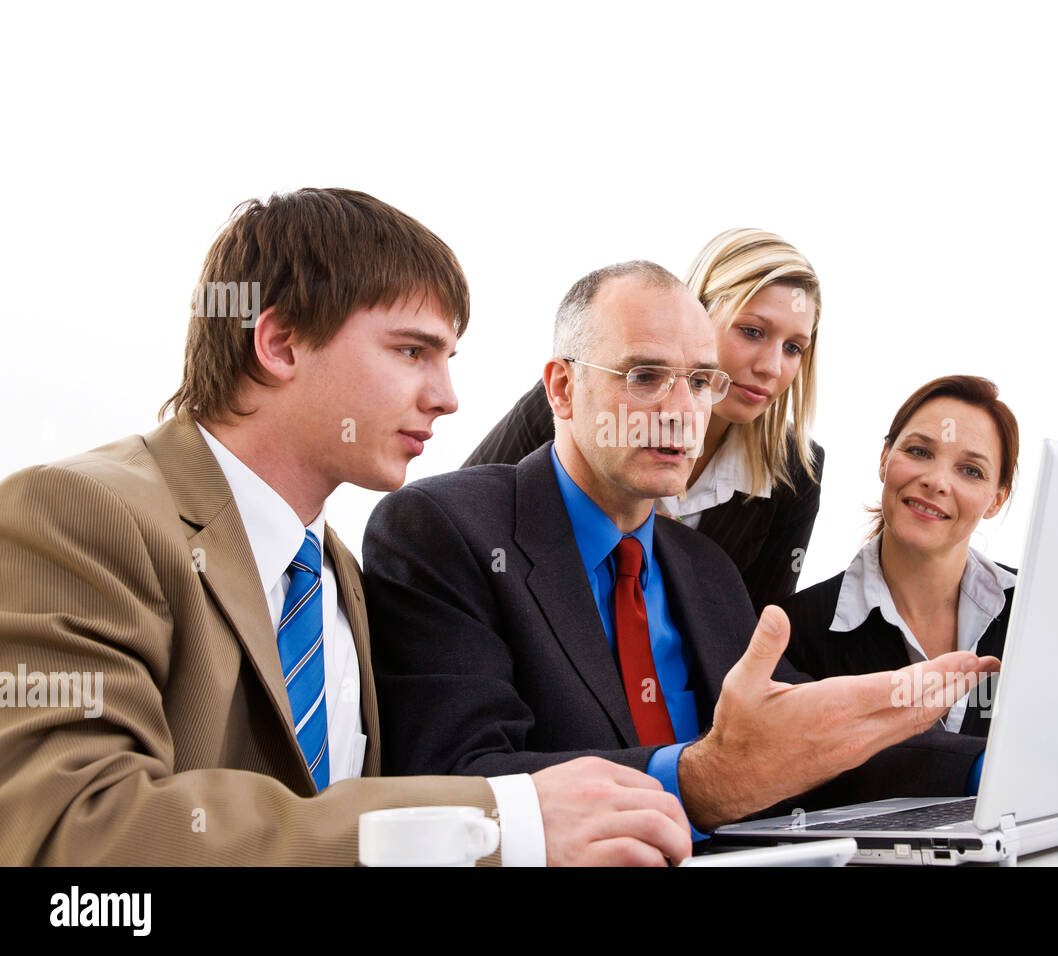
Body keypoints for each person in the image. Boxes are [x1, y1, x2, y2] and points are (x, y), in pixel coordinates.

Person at [0, 189, 692, 867]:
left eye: (448, 359)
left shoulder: (340, 577)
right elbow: (71, 832)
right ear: (279, 342)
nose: (446, 397)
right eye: (412, 352)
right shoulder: (75, 513)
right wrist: (498, 822)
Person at [364, 261, 997, 836]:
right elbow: (460, 780)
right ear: (561, 389)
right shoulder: (438, 530)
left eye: (700, 382)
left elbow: (797, 739)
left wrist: (994, 768)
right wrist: (698, 783)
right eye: (645, 376)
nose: (681, 412)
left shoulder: (707, 570)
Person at [464, 228, 825, 613]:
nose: (771, 367)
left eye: (793, 348)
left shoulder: (796, 472)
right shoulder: (581, 399)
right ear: (696, 312)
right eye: (752, 332)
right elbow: (461, 522)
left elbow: (753, 631)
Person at [778, 375, 1019, 799]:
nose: (937, 481)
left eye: (970, 470)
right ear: (885, 457)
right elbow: (810, 773)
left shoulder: (1035, 609)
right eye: (919, 451)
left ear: (997, 499)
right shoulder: (798, 629)